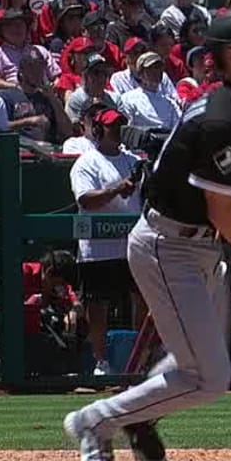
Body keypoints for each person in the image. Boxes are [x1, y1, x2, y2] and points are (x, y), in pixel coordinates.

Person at [62, 8, 231, 461]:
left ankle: (140, 415)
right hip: (170, 247)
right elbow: (222, 212)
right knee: (210, 377)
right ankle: (95, 421)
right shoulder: (223, 119)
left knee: (193, 359)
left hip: (200, 250)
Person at [70, 107, 144, 376]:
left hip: (132, 245)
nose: (118, 131)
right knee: (98, 306)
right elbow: (86, 200)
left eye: (121, 126)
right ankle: (100, 361)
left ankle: (140, 359)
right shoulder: (87, 162)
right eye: (113, 127)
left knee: (144, 299)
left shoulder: (133, 160)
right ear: (99, 131)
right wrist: (116, 189)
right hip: (98, 249)